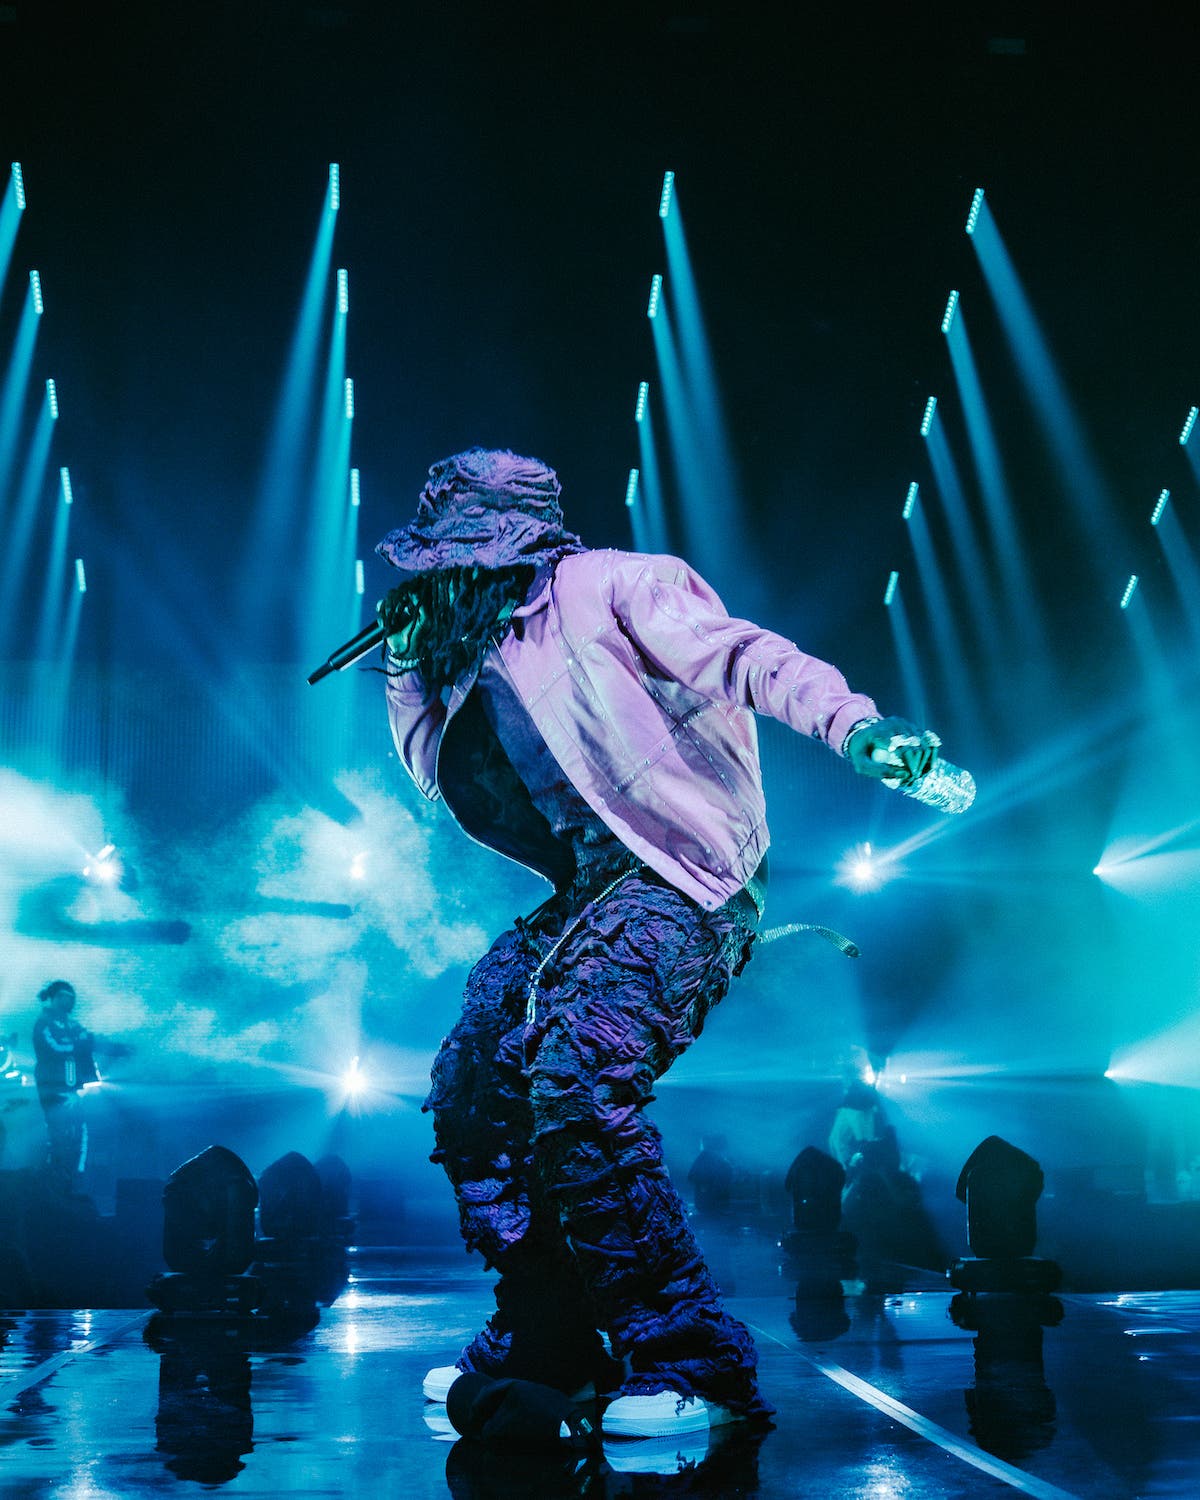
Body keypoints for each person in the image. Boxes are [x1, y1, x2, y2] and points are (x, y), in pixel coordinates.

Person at [375, 447, 947, 1439]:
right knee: (471, 1084)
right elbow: (431, 767)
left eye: (452, 557)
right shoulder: (471, 644)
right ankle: (548, 1334)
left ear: (500, 544)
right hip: (594, 886)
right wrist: (405, 662)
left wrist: (853, 725)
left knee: (577, 1071)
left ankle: (693, 1364)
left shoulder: (615, 585)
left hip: (688, 877)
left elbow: (748, 656)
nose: (438, 575)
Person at [32, 980, 96, 1187]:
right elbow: (55, 1047)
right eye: (62, 996)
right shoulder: (44, 1023)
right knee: (58, 1132)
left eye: (70, 997)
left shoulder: (72, 1024)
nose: (67, 1000)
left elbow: (90, 1040)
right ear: (52, 998)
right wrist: (80, 1044)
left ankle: (74, 1176)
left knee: (79, 1132)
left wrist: (118, 1048)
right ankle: (56, 1179)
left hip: (72, 1089)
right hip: (53, 1089)